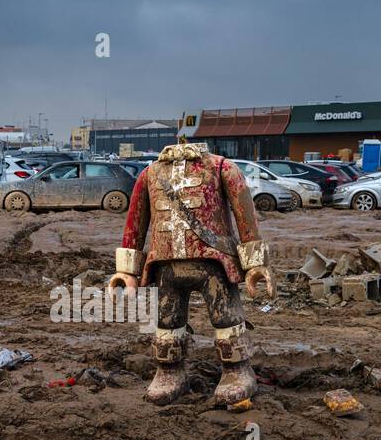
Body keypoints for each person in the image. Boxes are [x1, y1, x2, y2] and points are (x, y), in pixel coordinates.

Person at [108, 142, 274, 407]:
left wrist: (255, 264)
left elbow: (245, 214)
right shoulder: (150, 174)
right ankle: (169, 372)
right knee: (167, 322)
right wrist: (126, 271)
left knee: (226, 318)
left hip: (214, 264)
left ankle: (237, 371)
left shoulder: (222, 167)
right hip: (165, 266)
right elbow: (135, 221)